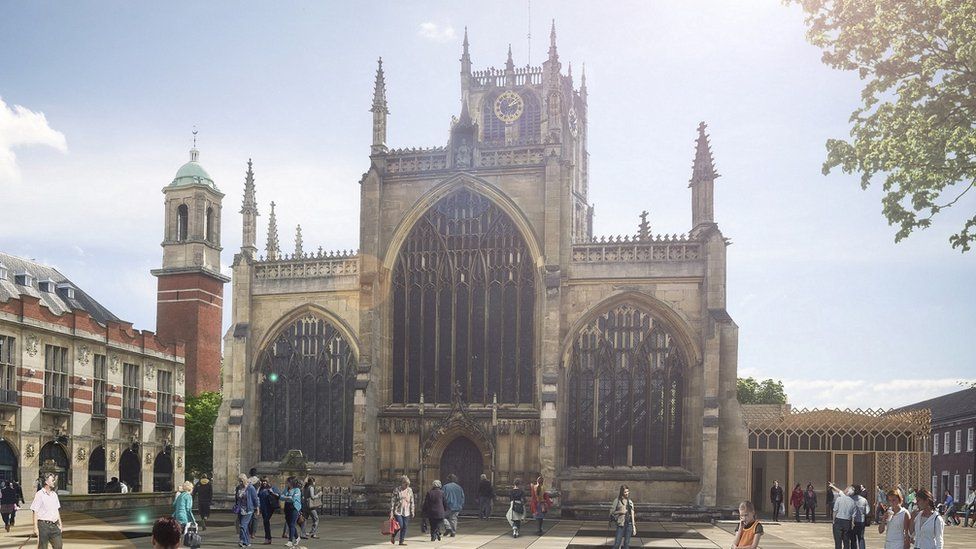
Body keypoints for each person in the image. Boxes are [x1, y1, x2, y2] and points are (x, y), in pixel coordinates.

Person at [31, 473, 63, 549]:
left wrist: (60, 524)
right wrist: (35, 527)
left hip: (55, 526)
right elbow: (35, 511)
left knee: (58, 546)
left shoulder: (54, 495)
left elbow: (57, 510)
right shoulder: (39, 494)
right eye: (52, 480)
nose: (54, 482)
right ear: (46, 481)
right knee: (43, 547)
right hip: (43, 525)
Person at [235, 473, 260, 548]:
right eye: (239, 481)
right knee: (244, 526)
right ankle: (247, 542)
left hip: (248, 509)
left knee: (243, 525)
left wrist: (257, 508)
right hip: (240, 509)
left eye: (241, 481)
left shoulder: (250, 488)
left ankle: (243, 541)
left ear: (245, 480)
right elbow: (236, 498)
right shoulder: (239, 487)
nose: (240, 482)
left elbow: (255, 498)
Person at [389, 475, 414, 546]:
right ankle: (393, 535)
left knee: (405, 526)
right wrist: (391, 513)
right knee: (400, 525)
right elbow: (392, 502)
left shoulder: (410, 490)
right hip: (398, 511)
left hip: (406, 511)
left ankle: (401, 541)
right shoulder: (396, 490)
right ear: (402, 483)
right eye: (405, 484)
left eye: (408, 485)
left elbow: (412, 501)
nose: (406, 486)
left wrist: (412, 511)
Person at [830, 483, 856, 549]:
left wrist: (833, 520)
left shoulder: (839, 499)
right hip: (847, 521)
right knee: (846, 541)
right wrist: (852, 524)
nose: (844, 489)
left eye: (846, 489)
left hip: (838, 520)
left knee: (838, 541)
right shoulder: (853, 502)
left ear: (847, 492)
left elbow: (835, 511)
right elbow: (853, 515)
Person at [610, 485, 636, 549]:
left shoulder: (630, 501)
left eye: (627, 491)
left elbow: (632, 513)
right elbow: (611, 512)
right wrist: (620, 512)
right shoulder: (617, 500)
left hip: (629, 524)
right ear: (622, 492)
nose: (627, 493)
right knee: (617, 544)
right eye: (625, 492)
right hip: (621, 524)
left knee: (626, 544)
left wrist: (634, 526)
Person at [280, 477, 302, 547]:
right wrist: (287, 497)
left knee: (292, 524)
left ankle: (290, 541)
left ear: (291, 482)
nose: (287, 483)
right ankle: (297, 537)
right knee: (289, 524)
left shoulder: (297, 490)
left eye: (288, 482)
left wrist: (287, 497)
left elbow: (294, 499)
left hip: (294, 508)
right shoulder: (287, 489)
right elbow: (281, 497)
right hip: (287, 507)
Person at [257, 477, 280, 545]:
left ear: (268, 481)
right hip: (263, 508)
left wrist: (272, 492)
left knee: (266, 521)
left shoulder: (272, 487)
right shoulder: (260, 488)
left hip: (270, 508)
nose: (264, 482)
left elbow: (278, 495)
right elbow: (257, 495)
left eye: (265, 481)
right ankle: (268, 539)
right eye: (263, 481)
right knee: (266, 523)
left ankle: (268, 538)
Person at [850, 484, 871, 549]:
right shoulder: (864, 500)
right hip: (861, 521)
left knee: (853, 538)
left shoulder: (850, 499)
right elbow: (867, 511)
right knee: (861, 538)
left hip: (852, 522)